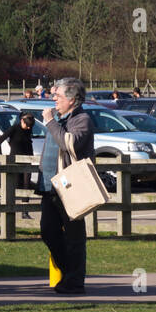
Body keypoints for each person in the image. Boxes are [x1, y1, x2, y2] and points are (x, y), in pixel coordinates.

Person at [38, 77, 95, 294]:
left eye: (58, 96)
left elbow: (68, 143)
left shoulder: (83, 119)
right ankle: (68, 271)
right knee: (48, 231)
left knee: (74, 237)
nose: (54, 99)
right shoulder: (60, 118)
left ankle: (74, 281)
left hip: (72, 187)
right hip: (50, 186)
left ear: (72, 99)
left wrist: (51, 121)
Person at [0, 110, 37, 204]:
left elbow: (28, 144)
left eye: (30, 126)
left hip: (27, 161)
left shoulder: (29, 129)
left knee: (26, 185)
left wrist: (32, 157)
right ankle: (3, 203)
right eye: (27, 125)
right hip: (15, 161)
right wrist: (1, 156)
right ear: (22, 121)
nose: (29, 127)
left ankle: (25, 210)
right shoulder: (14, 128)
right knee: (14, 184)